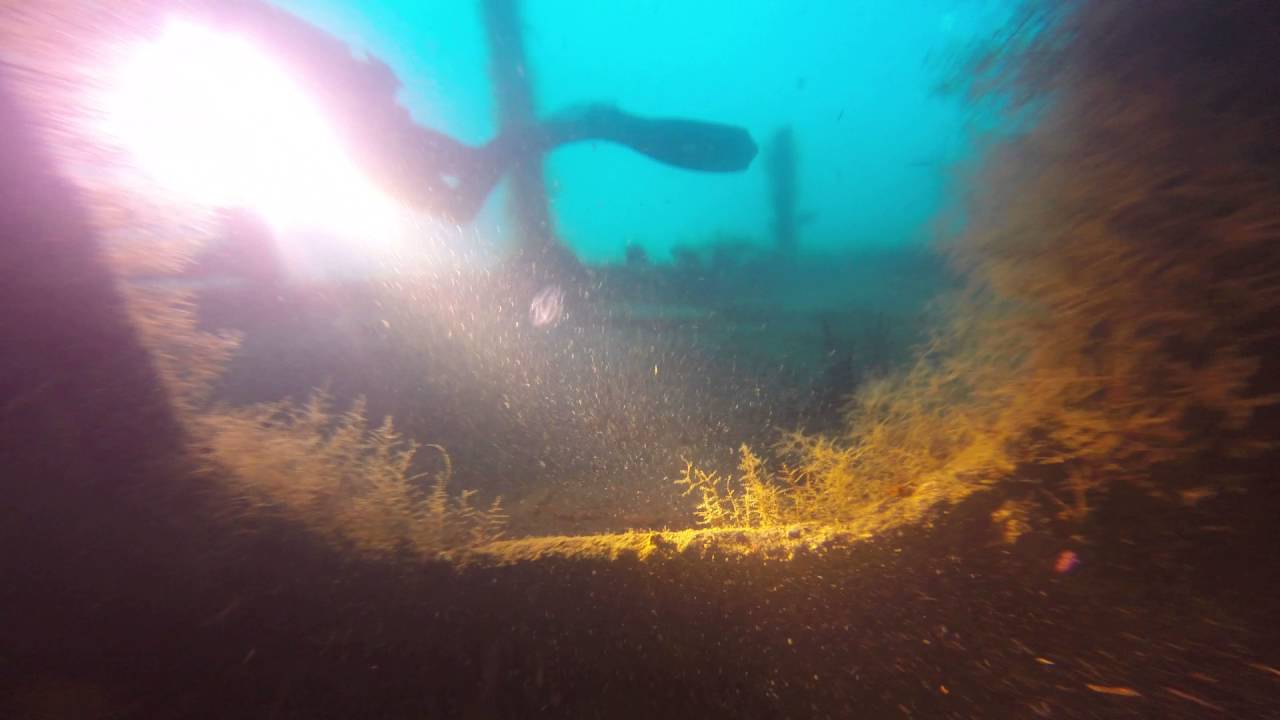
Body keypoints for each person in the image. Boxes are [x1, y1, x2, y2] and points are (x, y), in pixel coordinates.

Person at [198, 0, 758, 224]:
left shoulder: (267, 32)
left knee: (460, 196)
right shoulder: (272, 35)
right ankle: (583, 124)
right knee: (461, 194)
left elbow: (335, 72)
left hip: (371, 132)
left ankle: (582, 123)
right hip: (372, 131)